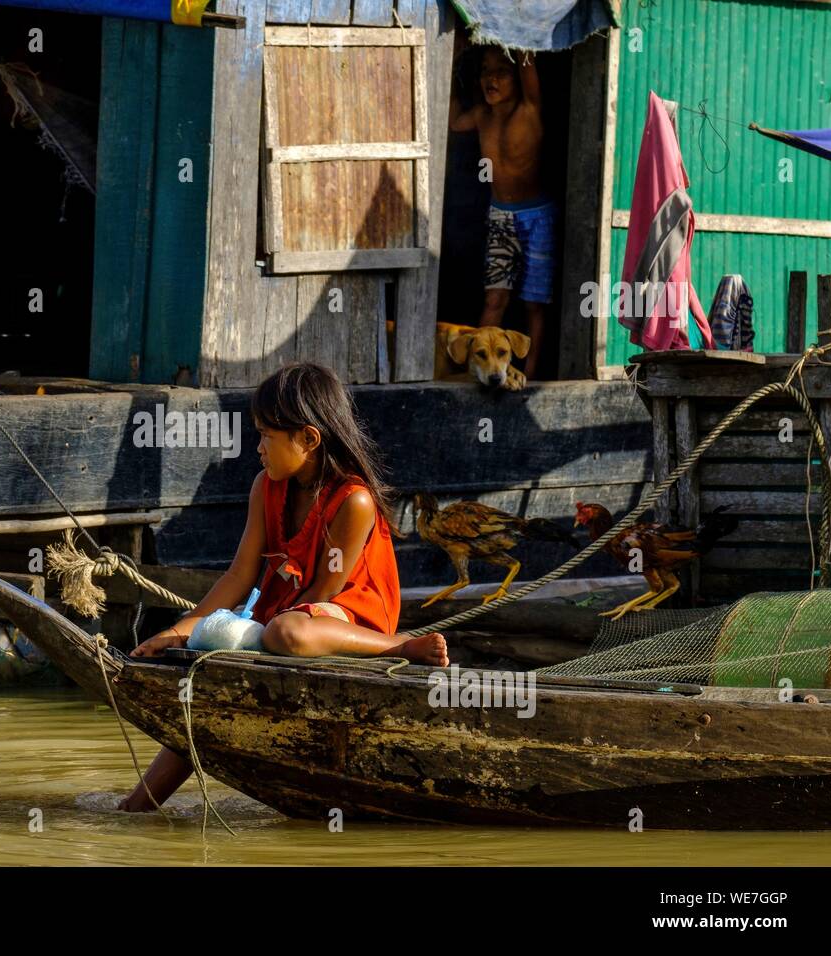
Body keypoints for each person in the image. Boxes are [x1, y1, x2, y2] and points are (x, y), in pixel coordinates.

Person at [118, 362, 448, 812]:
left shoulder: (354, 501)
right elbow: (239, 576)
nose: (258, 449)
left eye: (266, 437)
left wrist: (252, 634)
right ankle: (136, 808)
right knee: (208, 679)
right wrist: (184, 630)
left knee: (286, 634)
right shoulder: (266, 487)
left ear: (309, 439)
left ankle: (399, 648)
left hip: (345, 618)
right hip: (286, 610)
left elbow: (322, 594)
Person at [449, 30, 554, 380]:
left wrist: (517, 23)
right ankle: (478, 375)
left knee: (534, 304)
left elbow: (527, 58)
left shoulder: (529, 109)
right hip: (499, 216)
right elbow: (452, 121)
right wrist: (452, 58)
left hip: (538, 217)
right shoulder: (481, 116)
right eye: (485, 71)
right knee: (494, 300)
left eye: (501, 72)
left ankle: (530, 378)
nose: (491, 79)